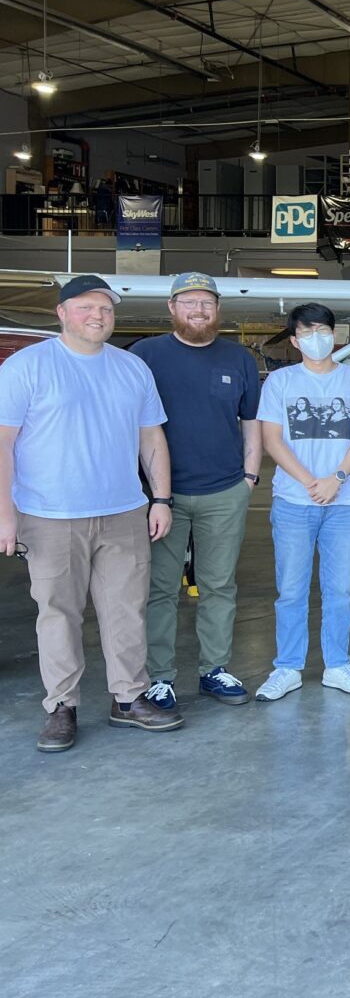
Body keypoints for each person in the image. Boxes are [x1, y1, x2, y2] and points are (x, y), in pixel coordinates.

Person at [0, 274, 183, 751]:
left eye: (105, 309)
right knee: (58, 612)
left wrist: (160, 497)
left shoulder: (131, 368)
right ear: (62, 313)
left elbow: (151, 438)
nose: (97, 316)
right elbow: (3, 444)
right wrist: (5, 514)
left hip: (124, 511)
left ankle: (130, 698)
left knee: (126, 610)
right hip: (49, 515)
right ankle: (62, 706)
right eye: (85, 307)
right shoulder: (27, 366)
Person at [136, 272, 262, 710]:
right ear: (171, 308)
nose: (198, 310)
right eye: (188, 302)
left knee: (219, 585)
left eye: (206, 303)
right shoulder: (144, 355)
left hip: (224, 490)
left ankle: (214, 669)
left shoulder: (239, 358)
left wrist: (249, 478)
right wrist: (152, 494)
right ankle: (160, 677)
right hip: (160, 497)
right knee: (160, 587)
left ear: (218, 309)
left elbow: (251, 423)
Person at [253, 303, 350, 702]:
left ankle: (338, 665)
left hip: (344, 505)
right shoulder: (280, 383)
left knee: (339, 590)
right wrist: (312, 481)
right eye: (307, 333)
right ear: (294, 341)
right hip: (295, 501)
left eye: (322, 330)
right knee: (291, 590)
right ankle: (288, 667)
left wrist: (337, 478)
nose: (316, 338)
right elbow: (272, 439)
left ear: (335, 334)